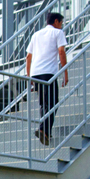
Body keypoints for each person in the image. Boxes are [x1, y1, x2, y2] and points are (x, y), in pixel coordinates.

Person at [25, 12, 68, 146]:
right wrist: (65, 73)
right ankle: (43, 129)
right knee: (53, 103)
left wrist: (29, 76)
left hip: (36, 73)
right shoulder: (57, 33)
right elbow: (61, 52)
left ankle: (46, 131)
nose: (61, 26)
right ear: (56, 21)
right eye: (61, 23)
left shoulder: (36, 35)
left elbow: (28, 57)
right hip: (48, 73)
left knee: (44, 103)